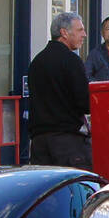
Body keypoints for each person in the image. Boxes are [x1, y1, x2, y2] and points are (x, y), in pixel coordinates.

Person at [26, 11, 93, 170]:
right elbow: (84, 103)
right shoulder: (71, 61)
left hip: (39, 142)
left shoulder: (37, 62)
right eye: (79, 30)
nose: (84, 34)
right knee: (75, 191)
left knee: (47, 192)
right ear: (64, 32)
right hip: (67, 142)